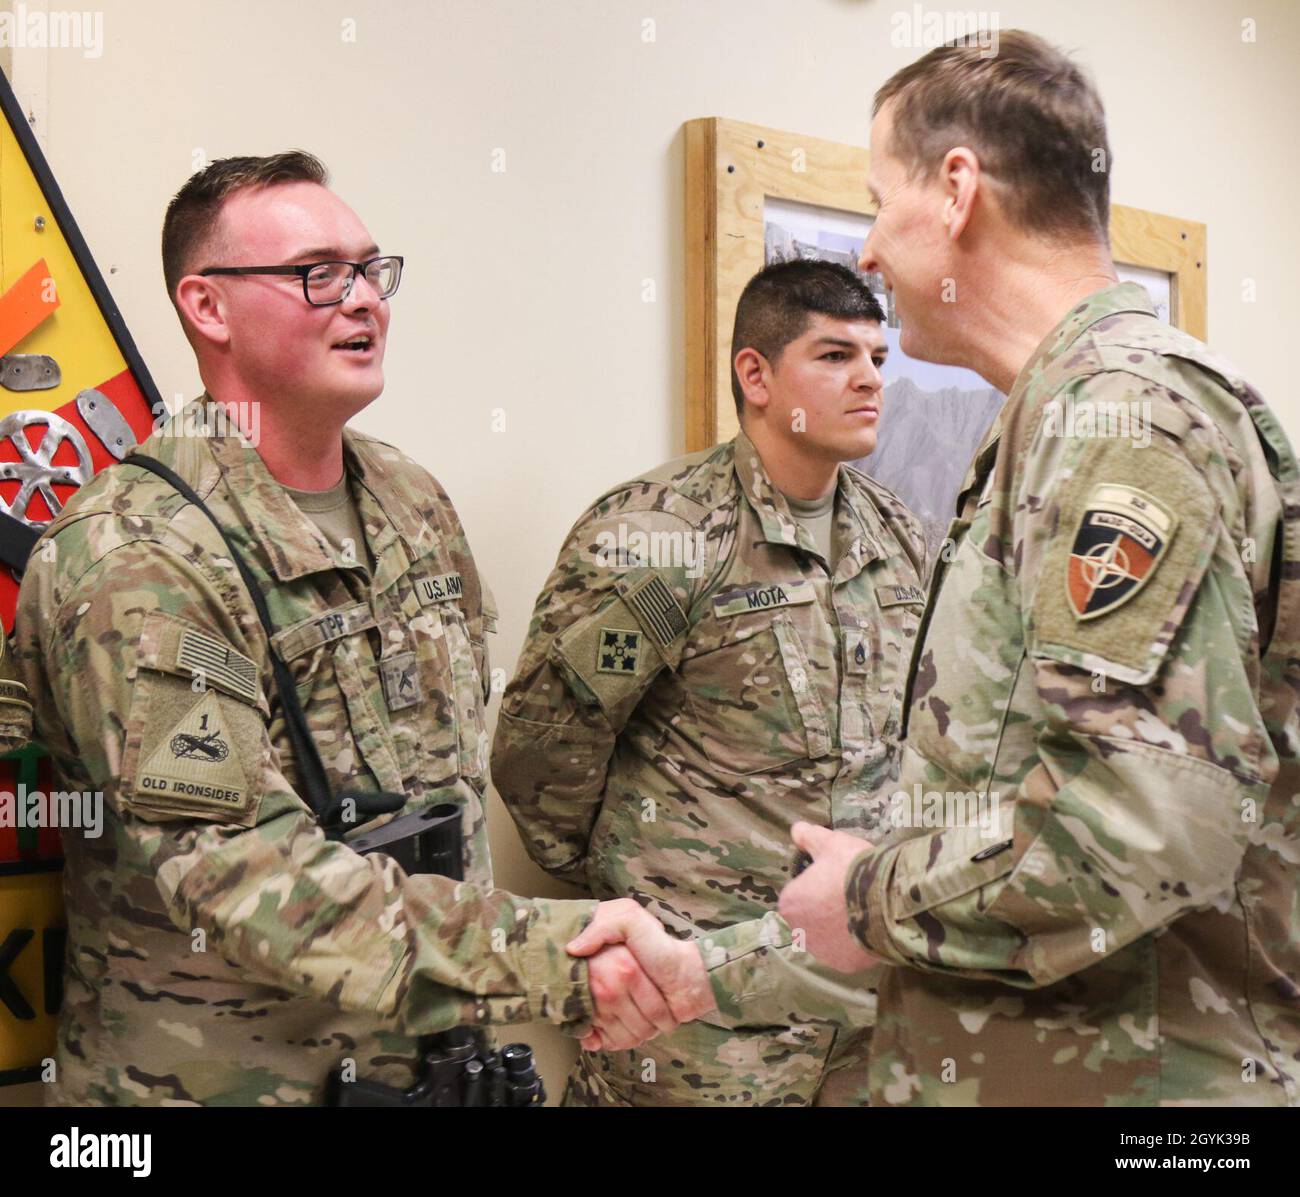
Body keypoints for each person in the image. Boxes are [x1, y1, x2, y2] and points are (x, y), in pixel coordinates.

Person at [12, 151, 713, 1106]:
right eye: (318, 274)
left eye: (371, 271)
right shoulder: (141, 553)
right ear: (208, 307)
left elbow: (447, 794)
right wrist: (558, 958)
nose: (364, 301)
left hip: (425, 1072)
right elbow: (246, 876)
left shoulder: (411, 502)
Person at [779, 30, 1300, 1106]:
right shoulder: (1059, 415)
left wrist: (869, 901)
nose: (867, 254)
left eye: (880, 200)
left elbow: (1144, 818)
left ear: (957, 188)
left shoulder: (1122, 418)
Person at [492, 259, 928, 1105]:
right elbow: (541, 751)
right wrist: (637, 892)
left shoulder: (898, 534)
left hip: (857, 997)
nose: (870, 378)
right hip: (697, 1013)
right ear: (755, 375)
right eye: (835, 355)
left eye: (878, 356)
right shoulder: (661, 538)